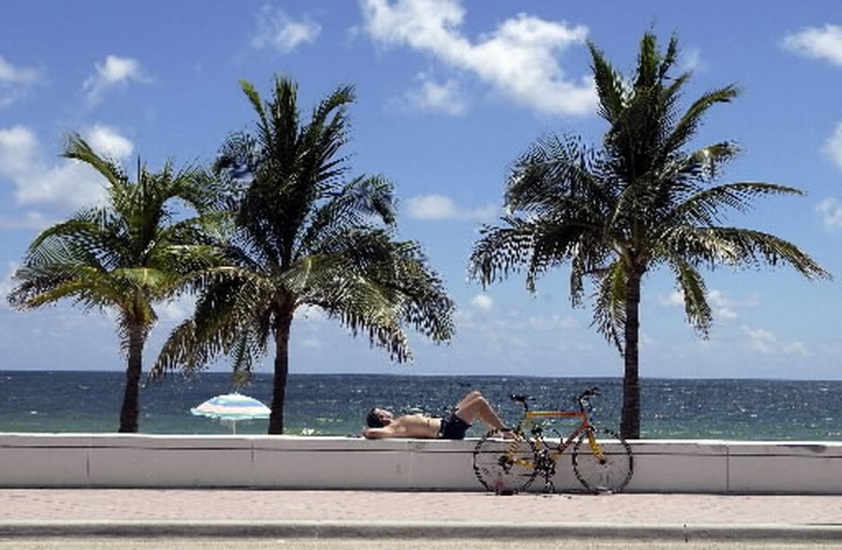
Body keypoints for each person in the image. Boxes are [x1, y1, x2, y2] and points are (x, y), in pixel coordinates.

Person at [362, 390, 509, 440]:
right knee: (479, 403)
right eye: (382, 413)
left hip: (447, 422)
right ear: (382, 419)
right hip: (447, 430)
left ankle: (494, 431)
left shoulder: (397, 423)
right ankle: (505, 432)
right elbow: (371, 433)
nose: (386, 412)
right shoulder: (392, 428)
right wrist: (364, 431)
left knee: (475, 395)